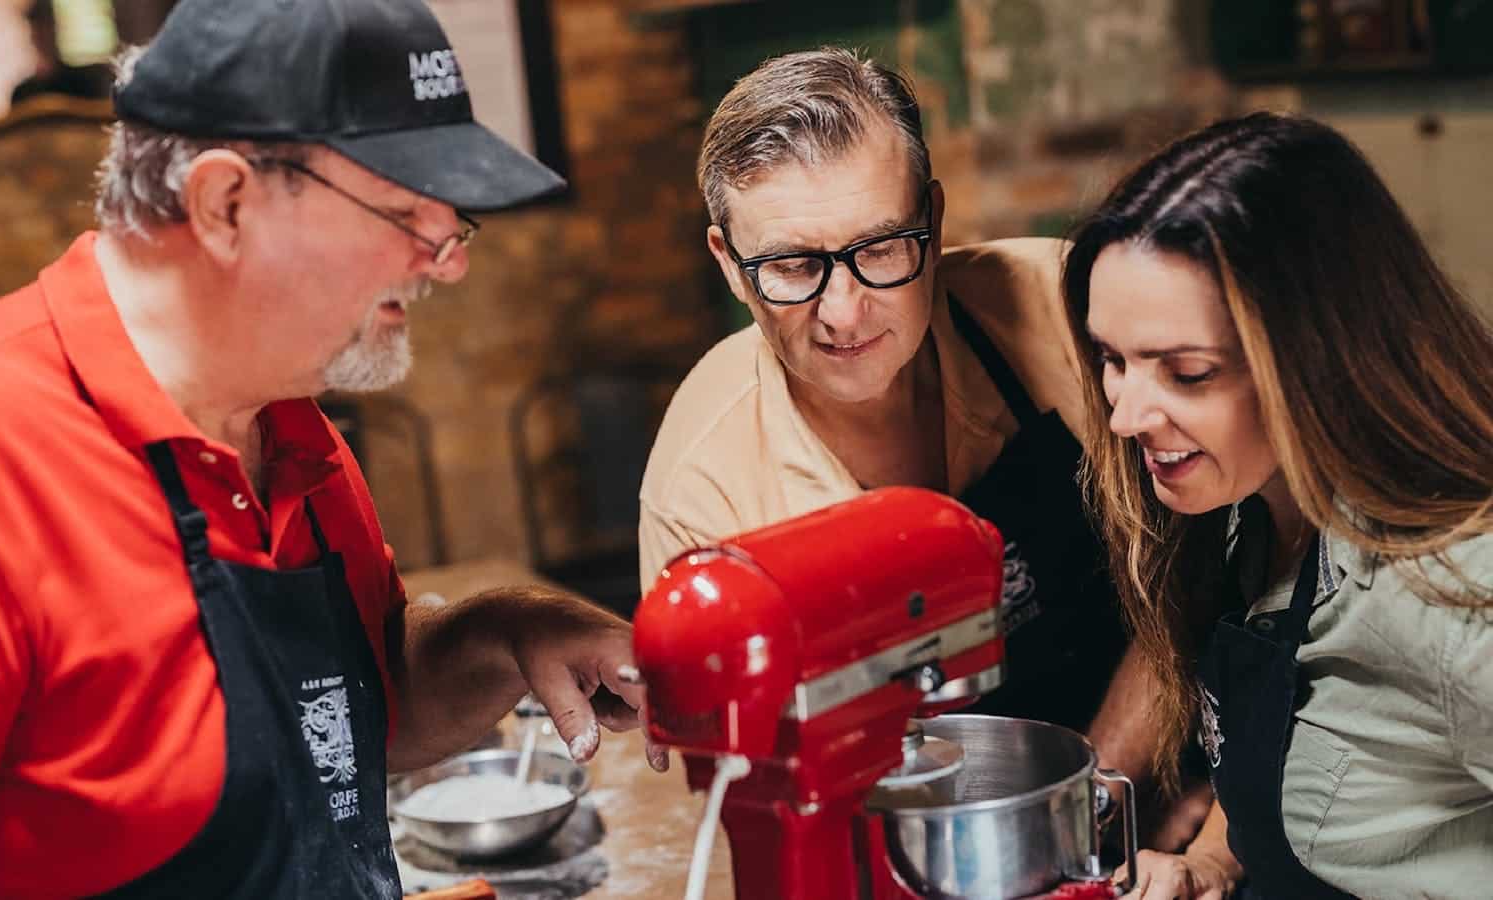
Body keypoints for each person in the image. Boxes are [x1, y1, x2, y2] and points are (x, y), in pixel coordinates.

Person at [0, 1, 663, 897]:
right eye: (404, 210)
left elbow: (344, 716)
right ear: (225, 203)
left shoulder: (290, 427)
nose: (448, 258)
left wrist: (507, 632)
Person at [636, 45, 1191, 829]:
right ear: (730, 264)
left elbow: (1200, 562)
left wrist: (1099, 804)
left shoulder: (1065, 310)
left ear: (931, 219)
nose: (843, 313)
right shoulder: (705, 492)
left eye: (880, 249)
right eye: (793, 266)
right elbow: (759, 798)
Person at [1062, 111, 1493, 900]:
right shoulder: (1249, 511)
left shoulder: (1458, 594)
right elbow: (1309, 755)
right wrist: (1209, 865)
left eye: (1188, 373)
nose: (1124, 417)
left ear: (1318, 354)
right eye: (1112, 359)